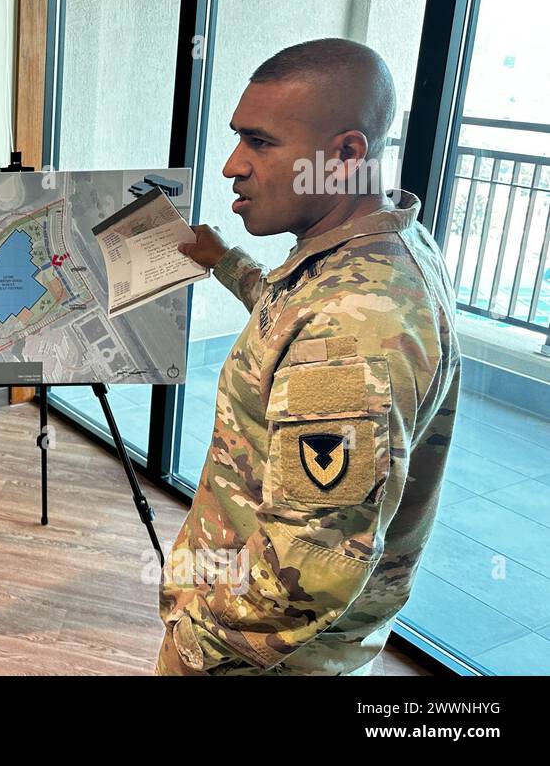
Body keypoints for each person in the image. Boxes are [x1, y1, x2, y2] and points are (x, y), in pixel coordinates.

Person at [158, 38, 461, 675]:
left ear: (346, 154)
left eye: (260, 142)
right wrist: (225, 263)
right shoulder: (374, 249)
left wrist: (194, 647)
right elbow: (294, 314)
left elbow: (304, 578)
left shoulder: (352, 336)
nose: (232, 166)